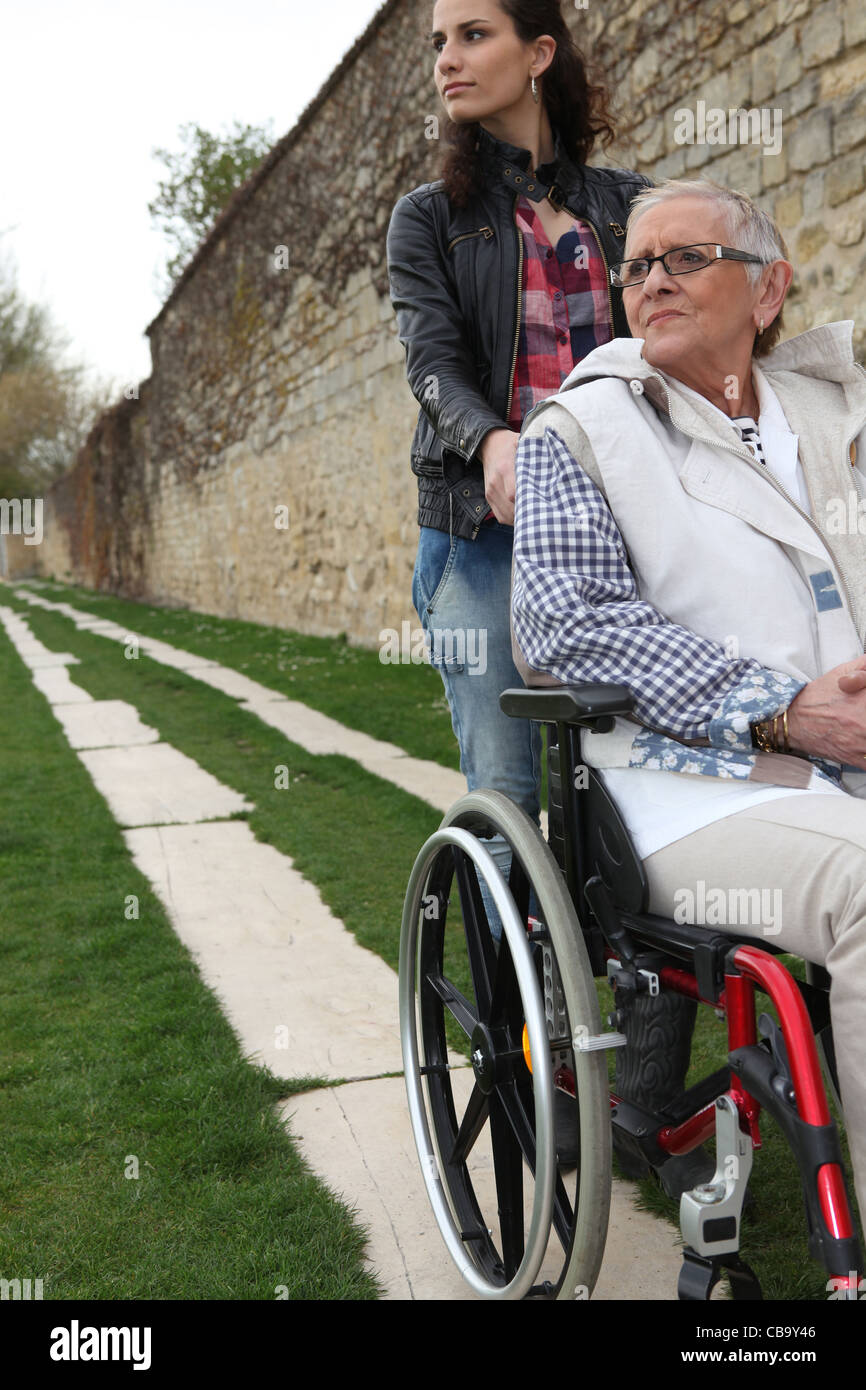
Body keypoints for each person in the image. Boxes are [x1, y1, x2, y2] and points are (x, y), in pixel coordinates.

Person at [385, 0, 710, 1184]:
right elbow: (430, 355)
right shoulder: (430, 219)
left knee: (650, 801)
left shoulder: (627, 209)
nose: (446, 59)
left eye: (471, 34)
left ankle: (634, 1104)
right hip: (479, 538)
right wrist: (490, 443)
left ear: (537, 52)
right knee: (511, 808)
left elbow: (680, 341)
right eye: (434, 42)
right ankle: (519, 1076)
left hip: (621, 546)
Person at [511, 176, 866, 1222]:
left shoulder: (835, 413)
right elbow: (567, 625)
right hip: (691, 788)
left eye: (684, 259)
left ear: (767, 292)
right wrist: (778, 709)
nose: (650, 281)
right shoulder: (579, 433)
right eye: (634, 265)